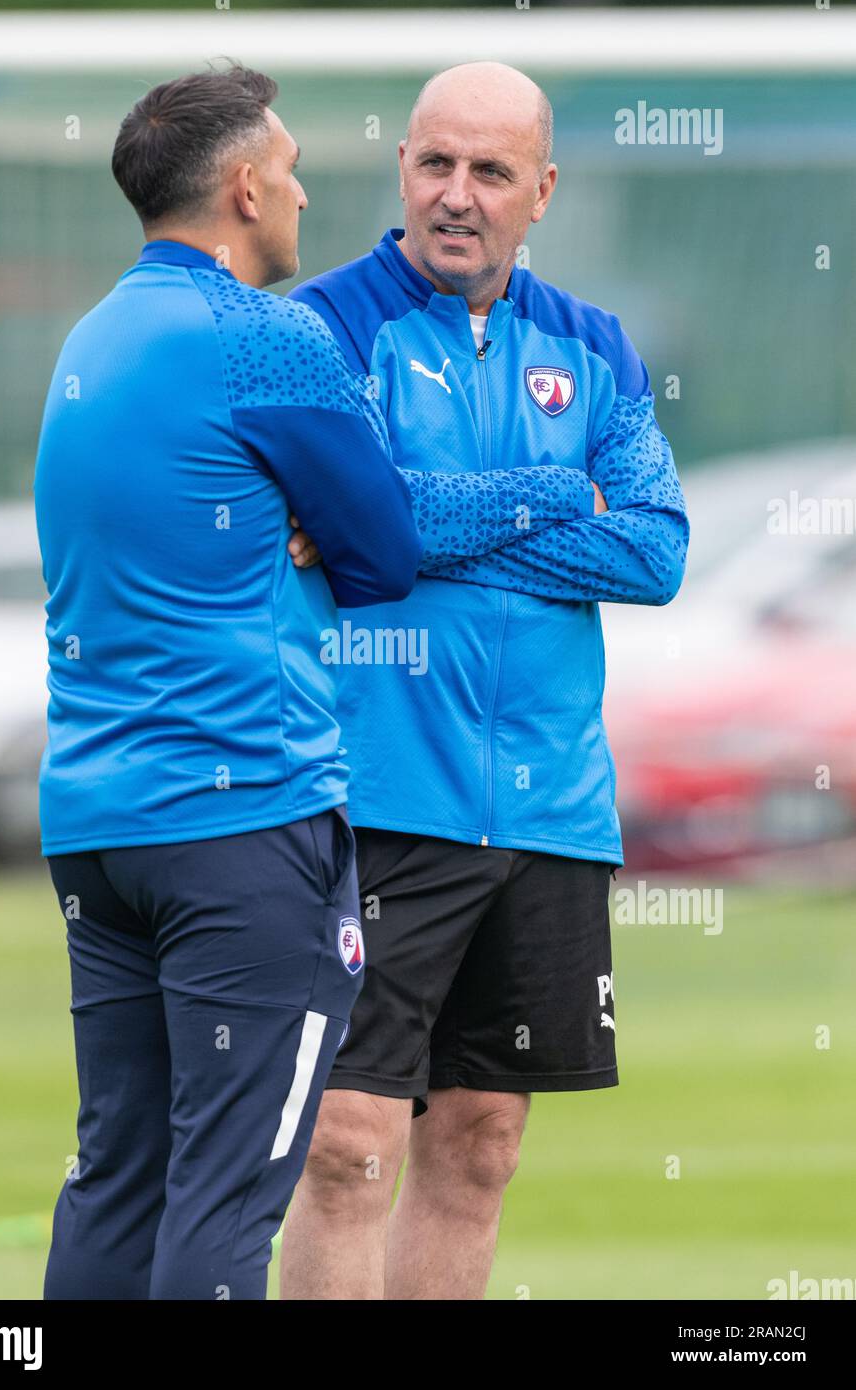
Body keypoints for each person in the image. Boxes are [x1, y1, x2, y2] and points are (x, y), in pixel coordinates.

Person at [280, 61, 689, 1300]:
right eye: (434, 163)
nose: (455, 195)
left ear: (541, 190)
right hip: (378, 795)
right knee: (348, 1147)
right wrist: (553, 491)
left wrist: (431, 521)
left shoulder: (594, 343)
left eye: (489, 171)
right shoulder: (323, 325)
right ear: (401, 165)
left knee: (480, 1144)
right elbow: (362, 521)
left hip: (549, 803)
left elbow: (655, 549)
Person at [33, 63, 421, 1301]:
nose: (305, 188)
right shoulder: (267, 336)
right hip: (241, 823)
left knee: (120, 1175)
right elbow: (387, 549)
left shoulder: (88, 339)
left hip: (97, 826)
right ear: (245, 187)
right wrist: (303, 527)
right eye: (292, 164)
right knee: (228, 1190)